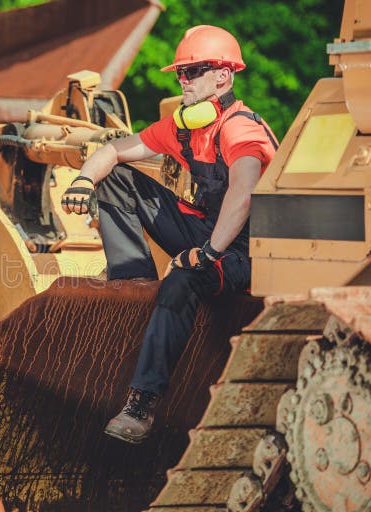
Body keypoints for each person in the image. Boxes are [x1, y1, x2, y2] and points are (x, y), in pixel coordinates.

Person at [60, 25, 279, 444]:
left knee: (181, 280)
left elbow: (243, 195)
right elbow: (114, 150)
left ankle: (141, 404)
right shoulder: (184, 128)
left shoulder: (241, 129)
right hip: (209, 231)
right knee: (116, 178)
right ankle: (133, 282)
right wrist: (84, 180)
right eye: (180, 72)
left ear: (223, 76)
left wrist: (206, 254)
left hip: (248, 251)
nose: (183, 80)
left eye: (192, 71)